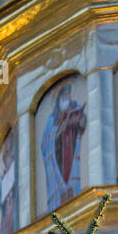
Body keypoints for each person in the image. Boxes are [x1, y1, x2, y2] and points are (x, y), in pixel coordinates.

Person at [40, 79, 87, 210]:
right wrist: (59, 130)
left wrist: (80, 120)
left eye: (68, 95)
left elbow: (82, 123)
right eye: (64, 95)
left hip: (71, 149)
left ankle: (74, 198)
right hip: (58, 152)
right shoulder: (52, 118)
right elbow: (45, 143)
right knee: (60, 176)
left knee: (71, 175)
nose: (67, 97)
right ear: (59, 98)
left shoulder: (75, 107)